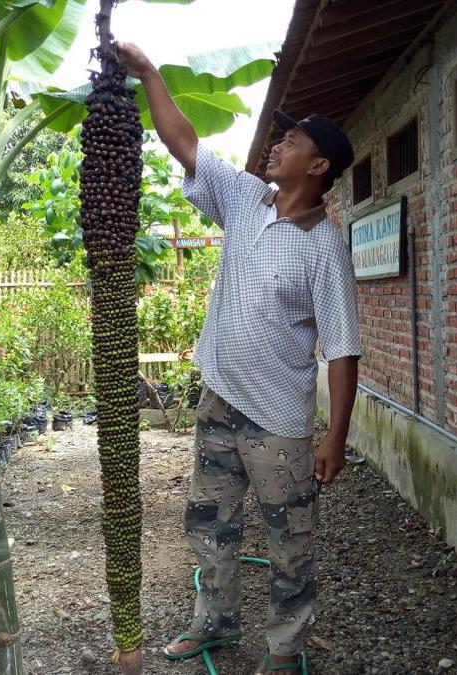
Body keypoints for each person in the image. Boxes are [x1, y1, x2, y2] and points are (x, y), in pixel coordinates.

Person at [117, 42, 362, 674]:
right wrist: (148, 72)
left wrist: (334, 436)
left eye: (292, 141)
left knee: (289, 540)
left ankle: (285, 647)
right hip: (219, 397)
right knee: (209, 523)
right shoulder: (247, 201)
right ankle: (215, 623)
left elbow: (341, 348)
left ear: (319, 165)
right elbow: (184, 142)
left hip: (278, 418)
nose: (277, 145)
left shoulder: (325, 249)